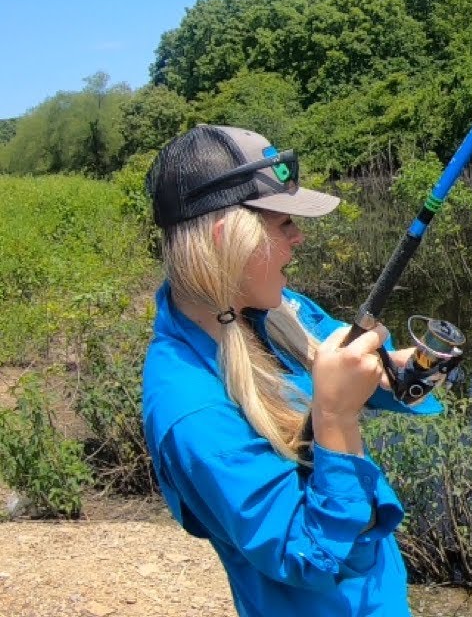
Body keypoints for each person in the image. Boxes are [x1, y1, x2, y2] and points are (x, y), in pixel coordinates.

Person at [140, 124, 443, 617]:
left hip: (376, 596)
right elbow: (309, 557)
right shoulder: (190, 410)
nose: (299, 237)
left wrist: (394, 375)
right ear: (227, 242)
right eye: (284, 225)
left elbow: (338, 372)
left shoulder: (275, 307)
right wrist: (336, 417)